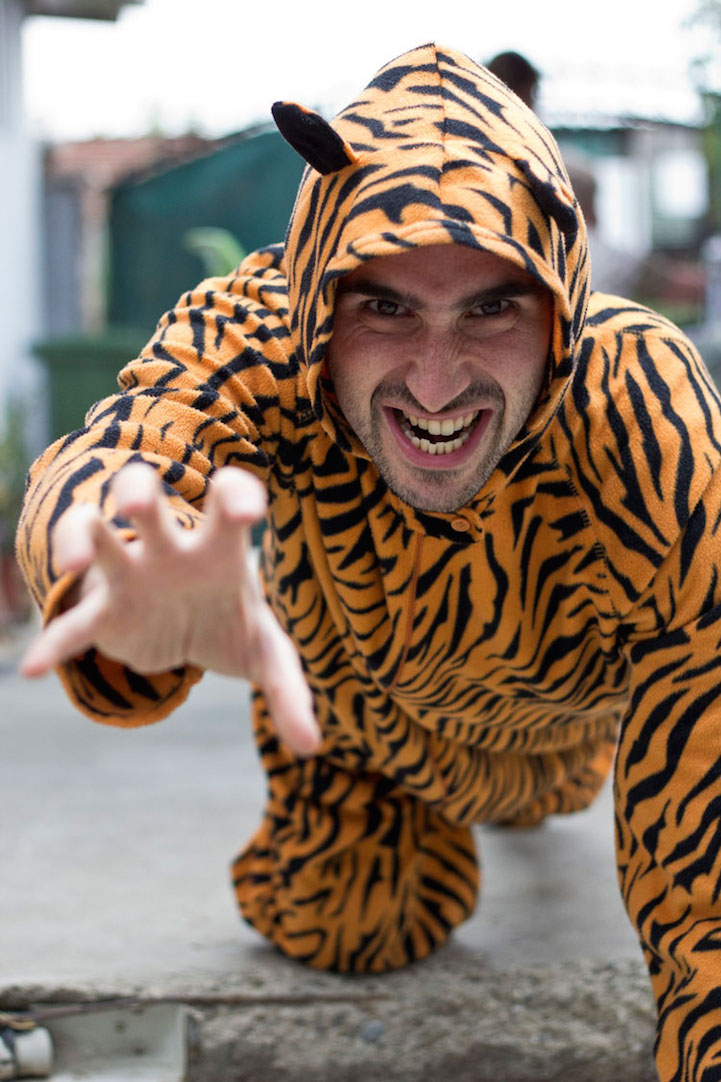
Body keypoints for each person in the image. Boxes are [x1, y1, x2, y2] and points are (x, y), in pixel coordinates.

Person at [15, 43, 721, 1082]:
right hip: (356, 725)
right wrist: (113, 565)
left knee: (579, 797)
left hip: (576, 724)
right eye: (382, 306)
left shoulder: (638, 406)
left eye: (491, 306)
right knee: (347, 921)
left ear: (559, 308)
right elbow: (132, 442)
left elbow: (705, 770)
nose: (434, 388)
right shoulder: (255, 329)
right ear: (314, 303)